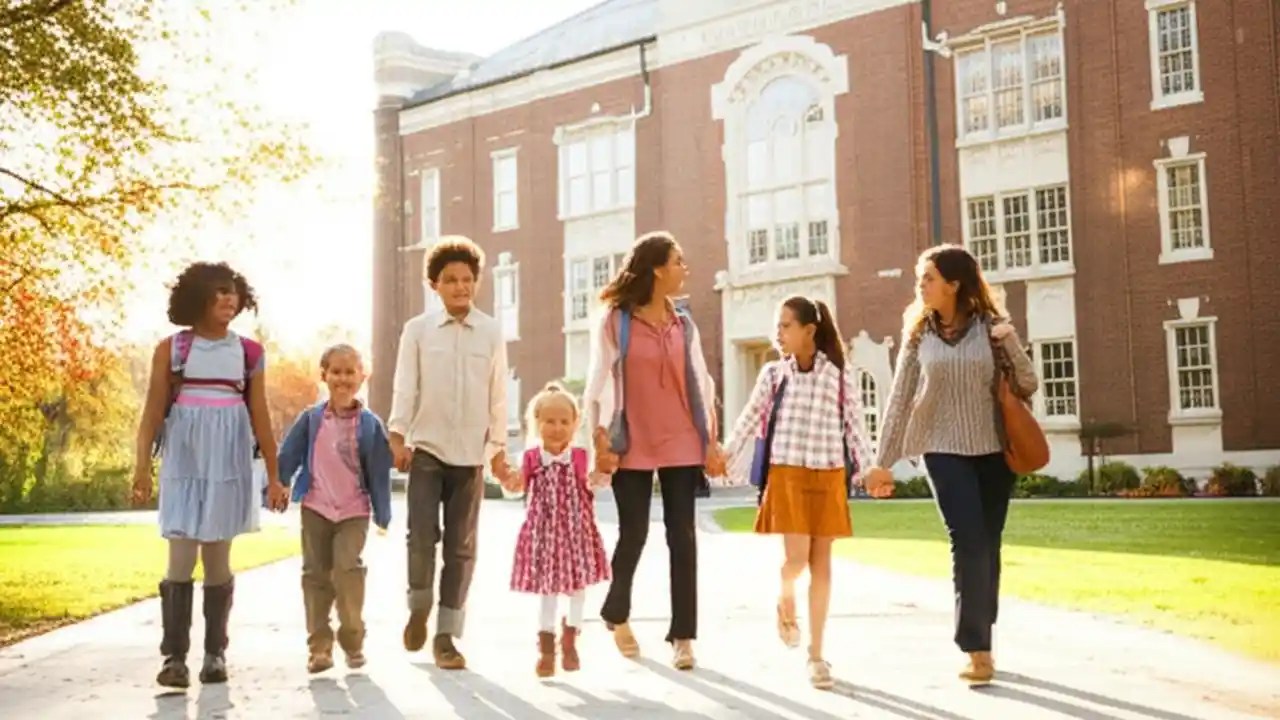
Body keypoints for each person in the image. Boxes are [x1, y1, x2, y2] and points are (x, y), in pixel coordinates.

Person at [862, 244, 1039, 686]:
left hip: (995, 450)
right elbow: (900, 398)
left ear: (954, 285)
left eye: (928, 278)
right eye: (920, 278)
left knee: (989, 543)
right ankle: (976, 648)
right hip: (942, 448)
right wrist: (881, 462)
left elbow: (1029, 382)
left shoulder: (990, 327)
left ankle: (984, 633)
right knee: (968, 539)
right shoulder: (918, 334)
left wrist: (1009, 341)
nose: (920, 286)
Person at [132, 261, 288, 688]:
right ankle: (174, 659)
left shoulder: (249, 353)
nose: (228, 297)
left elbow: (261, 418)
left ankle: (215, 653)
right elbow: (151, 413)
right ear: (197, 296)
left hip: (228, 462)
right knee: (180, 554)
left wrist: (275, 477)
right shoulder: (174, 349)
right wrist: (142, 466)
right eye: (219, 291)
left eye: (234, 291)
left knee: (218, 558)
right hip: (185, 461)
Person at [583, 230, 726, 671]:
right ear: (658, 268)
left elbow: (701, 380)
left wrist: (711, 440)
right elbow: (598, 380)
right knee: (635, 533)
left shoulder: (684, 322)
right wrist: (599, 436)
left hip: (682, 437)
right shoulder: (616, 320)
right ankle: (616, 611)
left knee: (682, 537)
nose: (685, 269)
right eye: (679, 261)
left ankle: (683, 636)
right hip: (634, 440)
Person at [724, 296, 874, 690]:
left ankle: (816, 654)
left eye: (786, 325)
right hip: (787, 473)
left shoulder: (840, 376)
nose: (779, 333)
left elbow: (855, 428)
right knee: (796, 561)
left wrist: (868, 469)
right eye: (777, 326)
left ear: (809, 331)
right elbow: (749, 418)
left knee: (822, 562)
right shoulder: (773, 375)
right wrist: (724, 453)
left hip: (828, 475)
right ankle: (785, 592)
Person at [388, 236, 518, 670]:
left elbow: (498, 393)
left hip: (471, 455)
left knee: (462, 548)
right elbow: (406, 384)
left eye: (467, 279)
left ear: (476, 282)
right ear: (434, 284)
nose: (460, 287)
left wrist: (498, 448)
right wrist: (398, 434)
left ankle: (446, 636)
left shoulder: (491, 331)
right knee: (421, 537)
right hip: (426, 448)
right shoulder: (417, 331)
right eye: (450, 280)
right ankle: (419, 607)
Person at [277, 344, 393, 674]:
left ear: (362, 376)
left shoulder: (370, 425)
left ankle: (353, 638)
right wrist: (279, 483)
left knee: (347, 570)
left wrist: (383, 513)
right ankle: (319, 646)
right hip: (315, 506)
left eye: (350, 372)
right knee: (315, 575)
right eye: (336, 372)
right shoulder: (312, 419)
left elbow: (380, 473)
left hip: (353, 510)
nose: (343, 378)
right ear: (324, 375)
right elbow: (289, 454)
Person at [508, 383, 610, 678]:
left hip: (576, 532)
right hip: (545, 535)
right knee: (548, 591)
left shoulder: (579, 457)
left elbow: (593, 483)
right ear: (536, 423)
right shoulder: (531, 458)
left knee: (577, 588)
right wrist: (507, 477)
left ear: (575, 424)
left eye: (564, 422)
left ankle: (571, 638)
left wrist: (602, 471)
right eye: (550, 421)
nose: (557, 428)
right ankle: (546, 648)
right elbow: (518, 487)